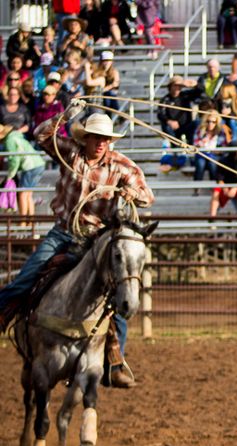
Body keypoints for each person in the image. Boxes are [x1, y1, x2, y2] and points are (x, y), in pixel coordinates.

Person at [0, 107, 154, 388]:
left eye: (106, 138)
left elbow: (147, 195)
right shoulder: (70, 152)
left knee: (115, 294)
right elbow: (41, 133)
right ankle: (6, 316)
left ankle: (115, 361)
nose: (101, 142)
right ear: (86, 138)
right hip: (63, 232)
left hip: (96, 239)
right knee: (28, 276)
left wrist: (132, 192)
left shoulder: (120, 165)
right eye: (96, 137)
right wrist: (68, 112)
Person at [0, 124, 46, 218]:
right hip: (38, 164)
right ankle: (30, 223)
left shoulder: (10, 141)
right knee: (28, 195)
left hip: (30, 167)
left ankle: (23, 222)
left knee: (22, 195)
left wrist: (10, 175)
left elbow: (15, 159)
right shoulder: (16, 136)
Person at [157, 75, 199, 172]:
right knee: (166, 126)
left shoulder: (185, 96)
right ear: (170, 86)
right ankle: (175, 151)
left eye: (180, 86)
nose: (177, 88)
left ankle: (192, 151)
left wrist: (194, 85)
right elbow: (160, 114)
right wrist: (169, 121)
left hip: (186, 126)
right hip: (173, 130)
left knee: (196, 123)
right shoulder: (165, 100)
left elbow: (200, 93)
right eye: (175, 86)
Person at [191, 110, 230, 184]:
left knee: (212, 164)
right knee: (200, 164)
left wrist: (218, 151)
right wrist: (201, 143)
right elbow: (194, 145)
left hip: (215, 154)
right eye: (208, 121)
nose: (210, 124)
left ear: (217, 122)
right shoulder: (200, 130)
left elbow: (224, 147)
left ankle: (214, 187)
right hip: (201, 154)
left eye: (213, 122)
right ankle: (196, 188)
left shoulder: (221, 131)